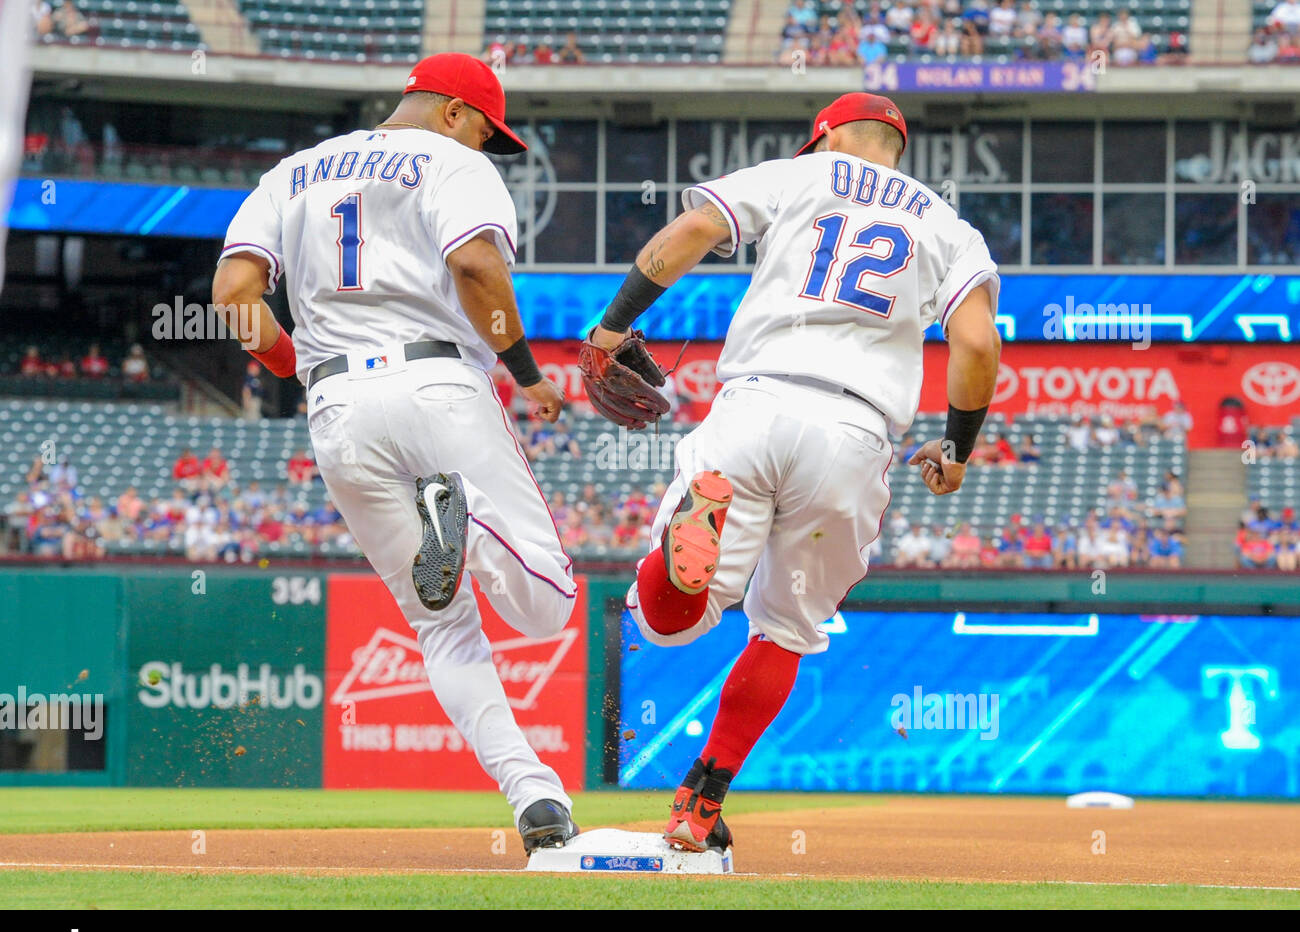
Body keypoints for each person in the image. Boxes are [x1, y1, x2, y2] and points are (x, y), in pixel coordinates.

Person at [583, 93, 999, 853]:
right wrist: (959, 449)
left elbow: (696, 230)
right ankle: (699, 802)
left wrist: (612, 327)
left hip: (757, 401)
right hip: (856, 434)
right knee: (786, 630)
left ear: (827, 137)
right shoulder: (948, 227)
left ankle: (686, 560)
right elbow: (976, 345)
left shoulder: (799, 175)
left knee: (668, 623)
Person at [211, 52, 578, 854]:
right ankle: (465, 517)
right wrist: (526, 372)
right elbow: (476, 263)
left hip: (337, 408)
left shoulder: (294, 171)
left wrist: (288, 363)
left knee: (441, 629)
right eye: (487, 129)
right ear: (452, 111)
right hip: (439, 383)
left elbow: (233, 294)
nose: (488, 144)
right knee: (548, 605)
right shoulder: (451, 160)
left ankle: (533, 795)